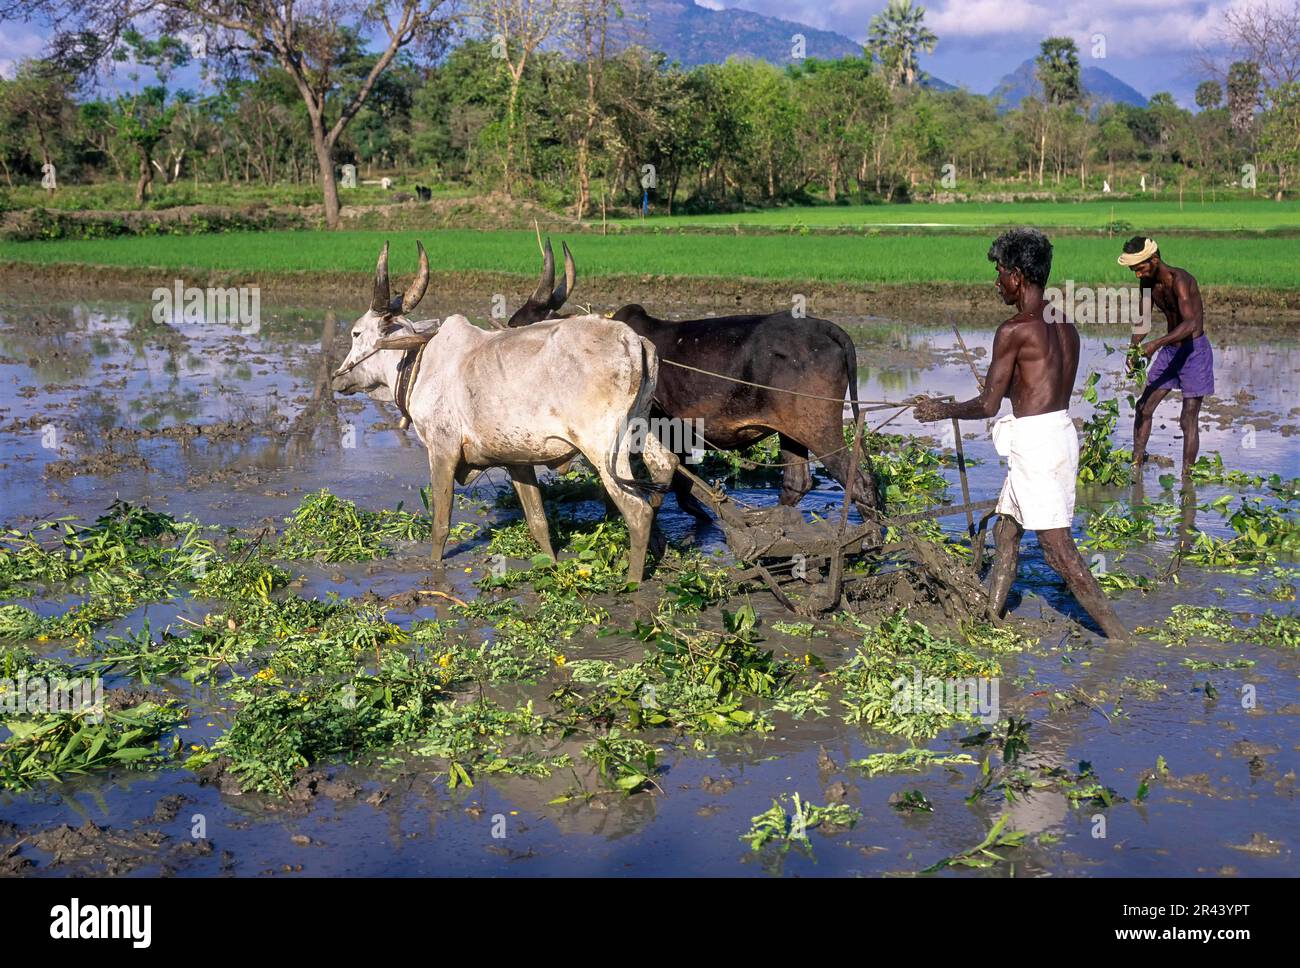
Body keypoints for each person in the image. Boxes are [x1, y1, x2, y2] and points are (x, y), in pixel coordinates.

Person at [913, 228, 1127, 640]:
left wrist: (941, 410)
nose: (996, 283)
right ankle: (990, 617)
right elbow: (1038, 388)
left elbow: (989, 405)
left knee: (1057, 551)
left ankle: (1120, 639)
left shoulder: (1013, 330)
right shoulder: (1064, 324)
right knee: (1006, 530)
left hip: (1037, 446)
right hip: (1058, 433)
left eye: (999, 273)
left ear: (1018, 275)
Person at [1119, 236, 1214, 476]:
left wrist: (1154, 346)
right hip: (1170, 351)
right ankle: (1135, 467)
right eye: (1133, 270)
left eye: (1139, 268)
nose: (1137, 275)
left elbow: (1191, 323)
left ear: (1154, 260)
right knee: (1143, 407)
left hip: (1194, 352)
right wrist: (1134, 347)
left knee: (1187, 419)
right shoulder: (1148, 284)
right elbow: (1144, 321)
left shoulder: (1180, 280)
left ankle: (1187, 477)